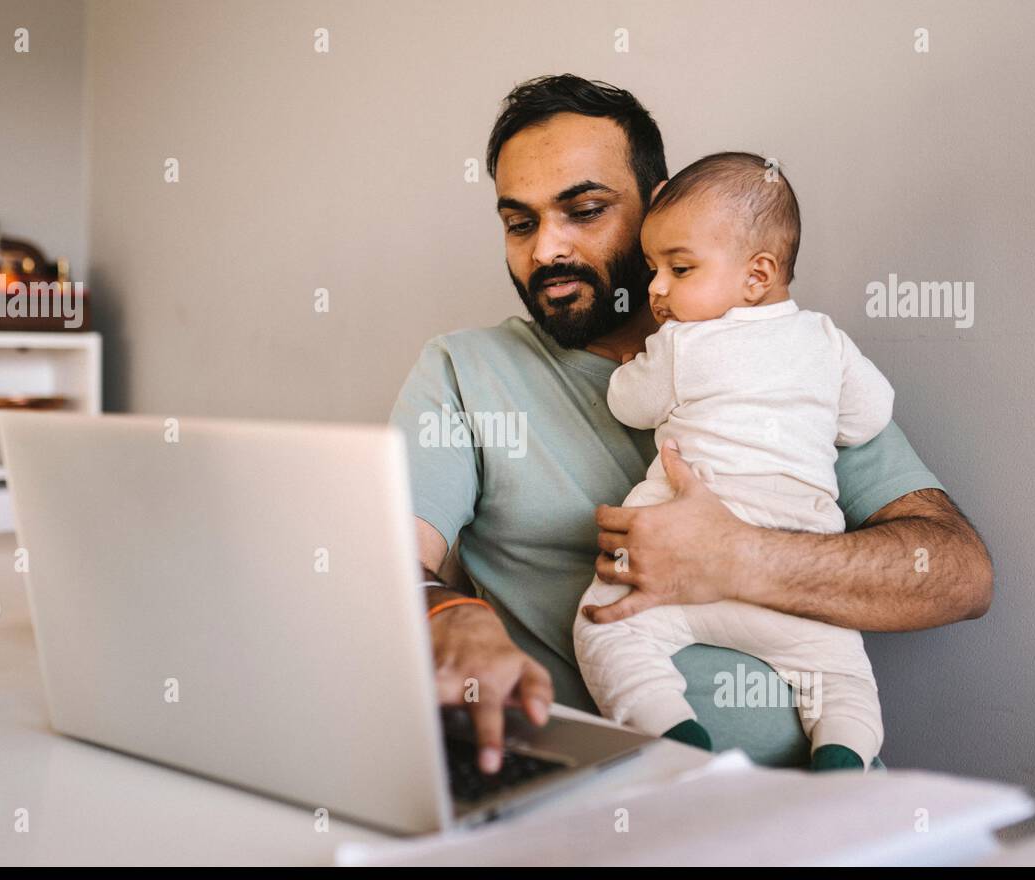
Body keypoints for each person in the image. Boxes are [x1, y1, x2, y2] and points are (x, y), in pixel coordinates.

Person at [388, 74, 992, 775]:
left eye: (583, 209)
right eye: (520, 222)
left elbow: (958, 574)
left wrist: (737, 557)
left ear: (657, 205)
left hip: (827, 816)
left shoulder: (786, 357)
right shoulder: (466, 372)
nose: (547, 249)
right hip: (621, 814)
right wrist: (444, 614)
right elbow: (379, 566)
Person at [573, 151, 895, 773]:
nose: (657, 289)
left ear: (757, 275)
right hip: (792, 576)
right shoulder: (827, 340)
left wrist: (637, 362)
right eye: (652, 268)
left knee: (605, 629)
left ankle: (675, 737)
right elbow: (869, 417)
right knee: (840, 673)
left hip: (670, 572)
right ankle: (843, 755)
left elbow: (629, 404)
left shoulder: (682, 345)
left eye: (680, 268)